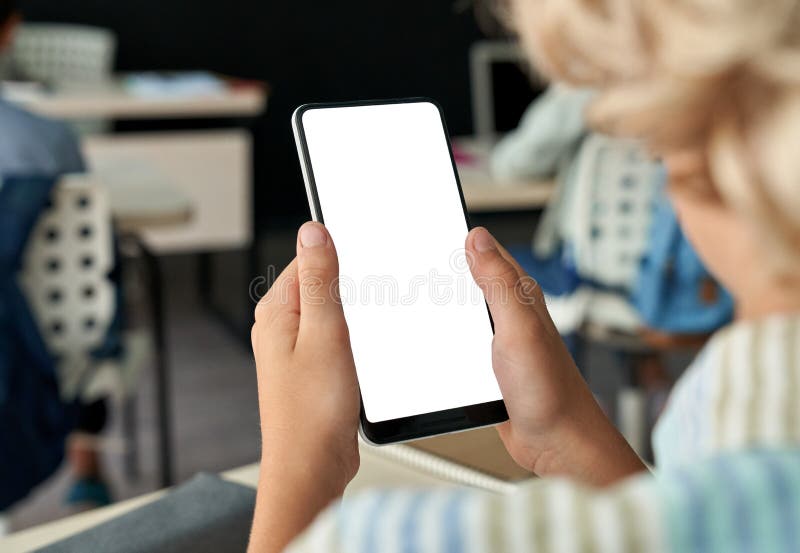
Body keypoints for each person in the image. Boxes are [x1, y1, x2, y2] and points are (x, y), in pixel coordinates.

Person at [248, 0, 800, 551]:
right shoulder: (732, 471)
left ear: (692, 156)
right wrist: (566, 437)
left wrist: (305, 463)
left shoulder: (393, 538)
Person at [0, 0, 111, 508]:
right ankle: (87, 462)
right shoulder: (49, 139)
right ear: (10, 31)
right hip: (54, 335)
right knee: (106, 288)